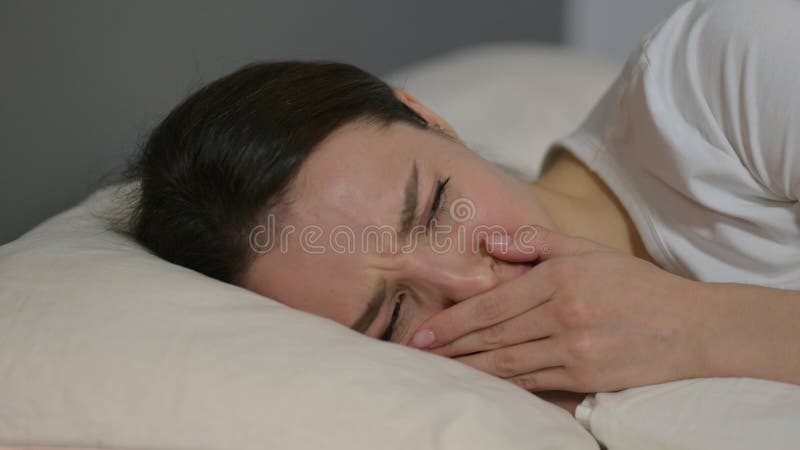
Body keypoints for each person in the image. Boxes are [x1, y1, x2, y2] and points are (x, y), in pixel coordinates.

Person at [123, 0, 800, 416]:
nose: (470, 283)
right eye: (392, 316)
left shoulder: (733, 67)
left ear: (427, 117)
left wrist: (694, 325)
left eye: (437, 207)